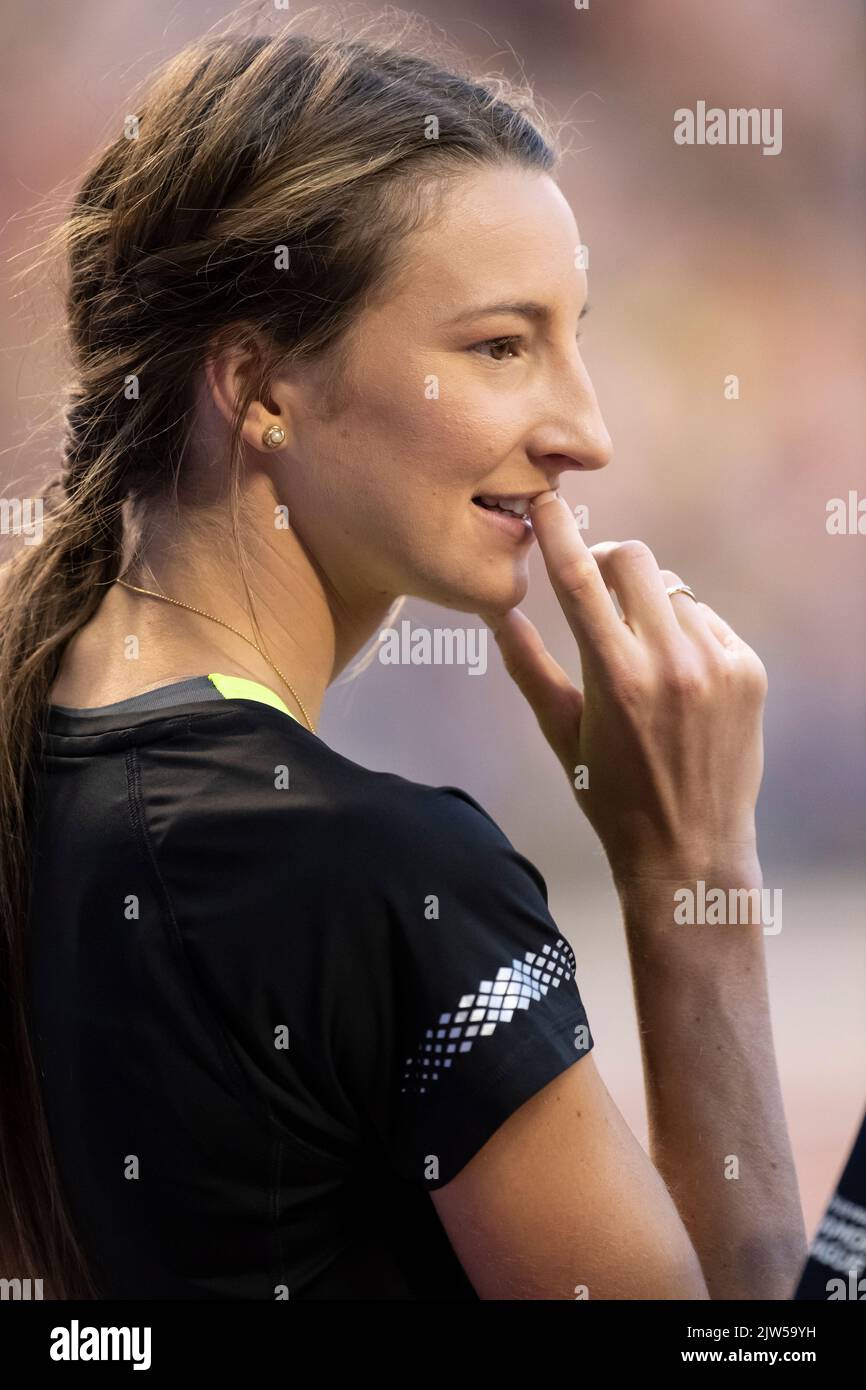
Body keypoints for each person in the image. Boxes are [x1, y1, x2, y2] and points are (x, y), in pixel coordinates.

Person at [0, 19, 807, 1300]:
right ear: (258, 386)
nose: (584, 433)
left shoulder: (37, 747)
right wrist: (690, 877)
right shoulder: (376, 870)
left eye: (575, 336)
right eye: (499, 346)